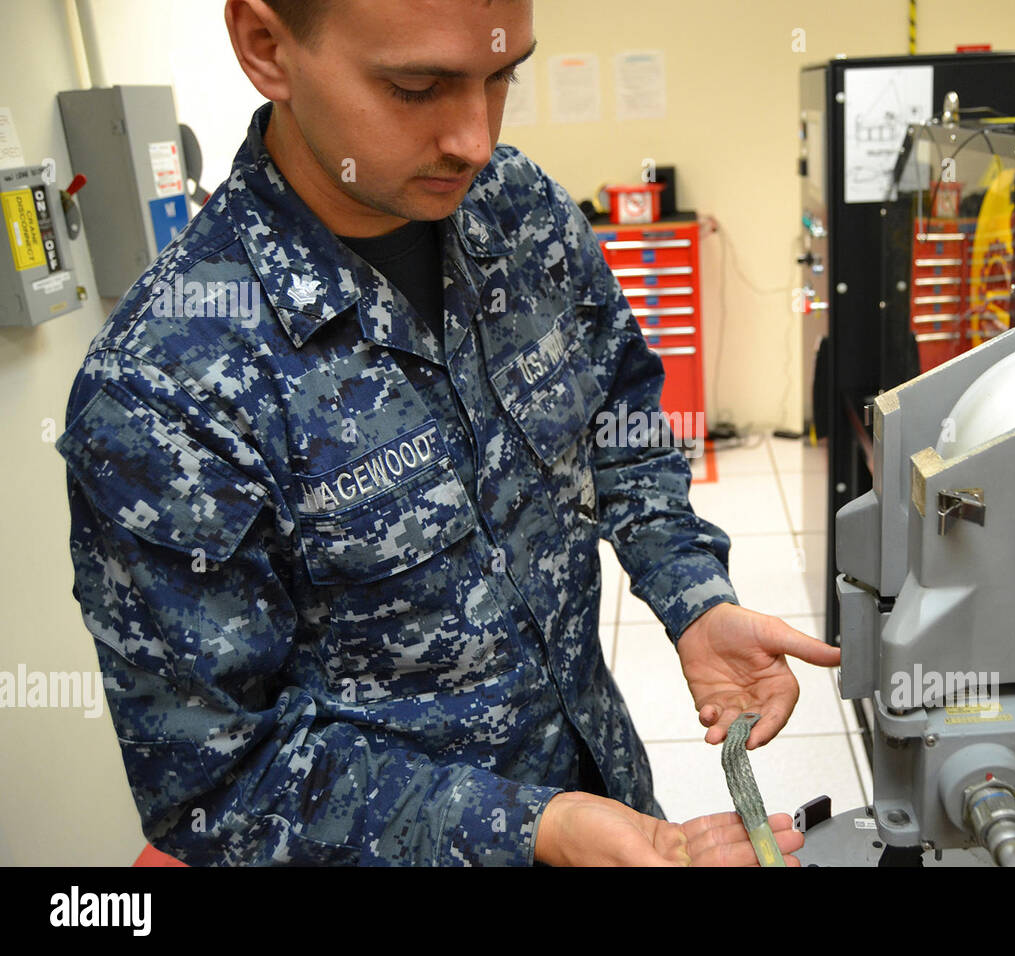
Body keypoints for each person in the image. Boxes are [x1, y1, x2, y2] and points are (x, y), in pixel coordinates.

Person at [55, 0, 840, 866]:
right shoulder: (163, 390)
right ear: (266, 46)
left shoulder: (518, 209)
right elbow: (218, 788)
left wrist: (690, 591)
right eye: (417, 86)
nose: (473, 137)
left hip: (608, 797)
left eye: (502, 75)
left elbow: (621, 417)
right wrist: (535, 830)